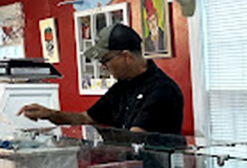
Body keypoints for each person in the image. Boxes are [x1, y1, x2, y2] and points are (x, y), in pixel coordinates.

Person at [18, 22, 183, 136]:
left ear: (126, 56)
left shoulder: (162, 90)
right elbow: (86, 118)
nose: (103, 66)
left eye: (105, 60)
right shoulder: (122, 86)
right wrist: (49, 114)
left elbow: (135, 138)